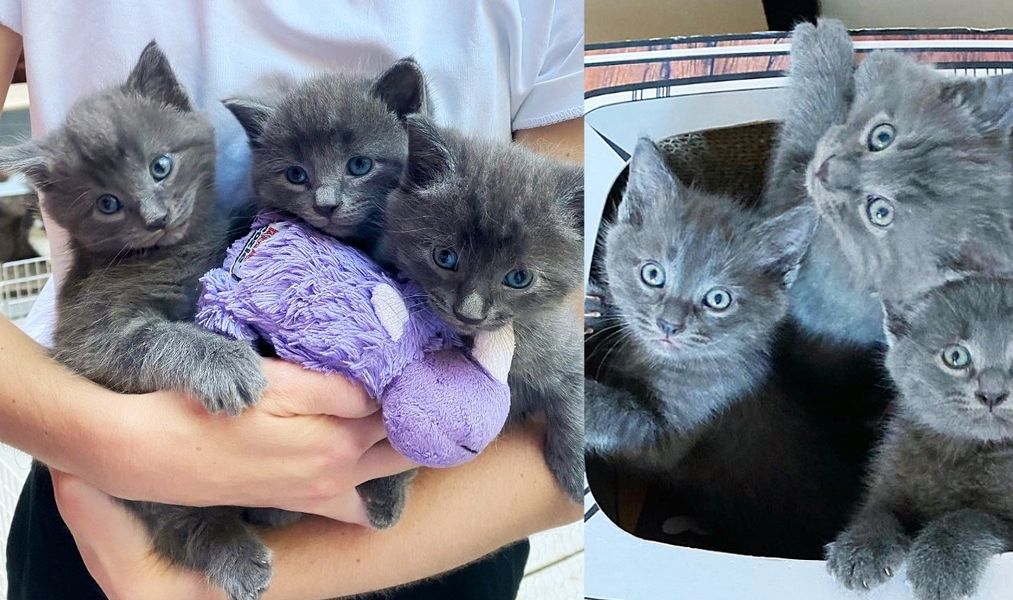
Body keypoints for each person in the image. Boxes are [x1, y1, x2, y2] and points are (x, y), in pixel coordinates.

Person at [0, 1, 583, 598]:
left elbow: (568, 373)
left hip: (449, 508)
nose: (327, 201)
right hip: (111, 486)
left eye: (357, 166)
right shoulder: (253, 252)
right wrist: (109, 444)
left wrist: (183, 587)